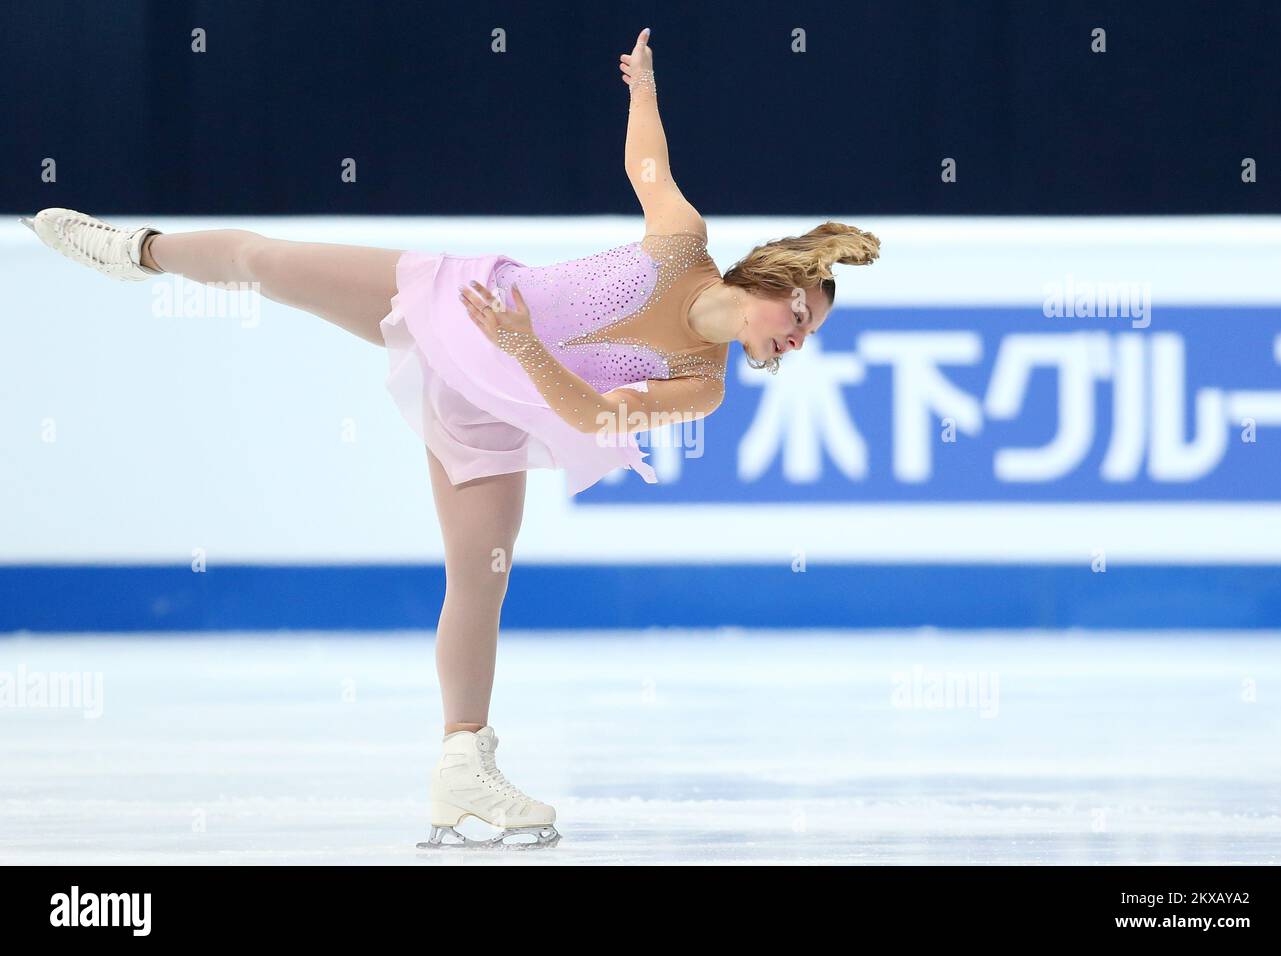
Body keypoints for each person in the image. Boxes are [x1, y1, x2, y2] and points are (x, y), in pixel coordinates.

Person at [20, 27, 879, 849]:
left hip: (503, 400)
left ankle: (462, 762)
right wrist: (644, 92)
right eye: (801, 313)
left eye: (808, 336)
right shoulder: (680, 244)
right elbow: (647, 167)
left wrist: (523, 348)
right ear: (774, 278)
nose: (798, 337)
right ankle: (134, 248)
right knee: (272, 264)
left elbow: (586, 418)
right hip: (460, 313)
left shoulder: (704, 386)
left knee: (478, 580)